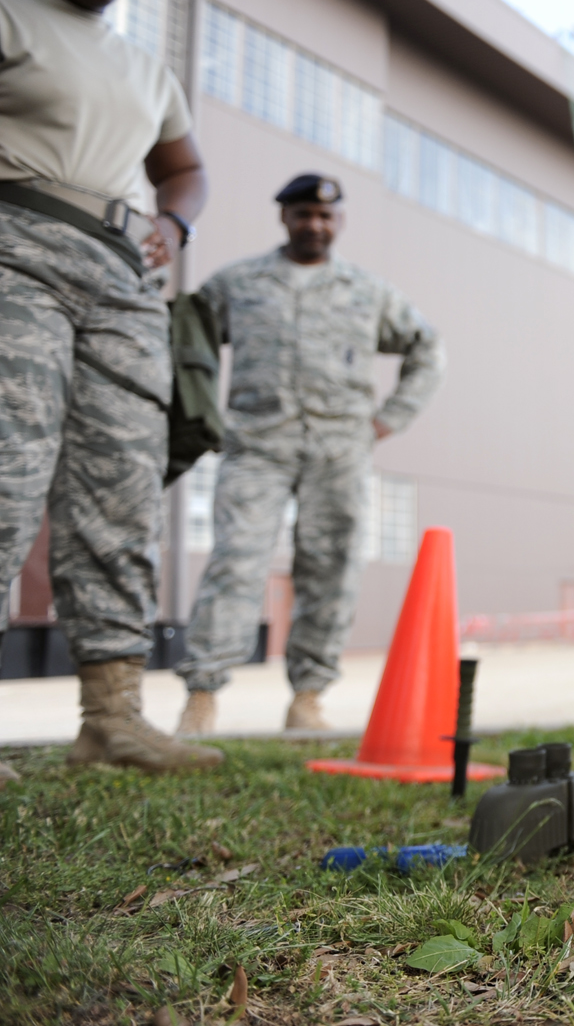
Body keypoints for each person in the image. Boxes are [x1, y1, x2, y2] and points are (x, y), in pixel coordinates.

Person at [0, 0, 215, 773]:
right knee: (8, 466)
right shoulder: (11, 18)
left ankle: (113, 715)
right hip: (18, 249)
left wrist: (174, 223)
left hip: (124, 279)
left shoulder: (145, 67)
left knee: (120, 487)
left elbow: (185, 168)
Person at [174, 175, 444, 734]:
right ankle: (202, 694)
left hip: (339, 448)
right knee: (236, 562)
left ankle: (308, 696)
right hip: (256, 445)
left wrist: (388, 419)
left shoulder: (368, 292)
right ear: (285, 218)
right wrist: (205, 417)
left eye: (325, 216)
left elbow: (427, 347)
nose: (314, 226)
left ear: (338, 221)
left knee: (331, 568)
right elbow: (187, 339)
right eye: (303, 215)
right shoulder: (238, 283)